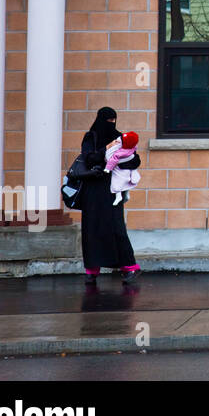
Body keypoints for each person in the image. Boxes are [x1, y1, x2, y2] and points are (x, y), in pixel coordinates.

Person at [78, 107, 142, 285]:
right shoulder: (91, 137)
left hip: (113, 190)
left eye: (114, 120)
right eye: (108, 120)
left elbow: (135, 159)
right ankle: (91, 270)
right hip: (93, 189)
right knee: (92, 229)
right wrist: (106, 150)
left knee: (116, 228)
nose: (111, 124)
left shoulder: (120, 137)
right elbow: (89, 158)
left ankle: (129, 267)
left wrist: (123, 157)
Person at [106, 131, 141, 205]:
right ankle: (125, 193)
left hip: (119, 169)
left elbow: (110, 158)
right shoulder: (131, 147)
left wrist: (108, 168)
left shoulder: (120, 144)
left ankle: (119, 196)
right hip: (127, 169)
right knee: (126, 180)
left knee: (117, 181)